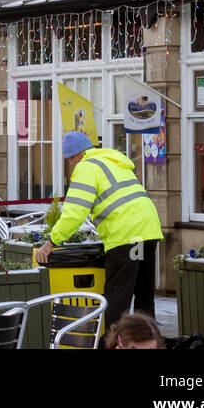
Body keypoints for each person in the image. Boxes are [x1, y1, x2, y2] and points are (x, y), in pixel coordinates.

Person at [34, 130, 163, 331]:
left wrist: (51, 243)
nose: (70, 164)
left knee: (118, 295)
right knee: (143, 294)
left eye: (70, 159)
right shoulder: (113, 162)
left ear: (78, 155)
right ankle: (147, 342)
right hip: (146, 231)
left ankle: (113, 344)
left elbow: (74, 213)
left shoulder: (86, 167)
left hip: (127, 235)